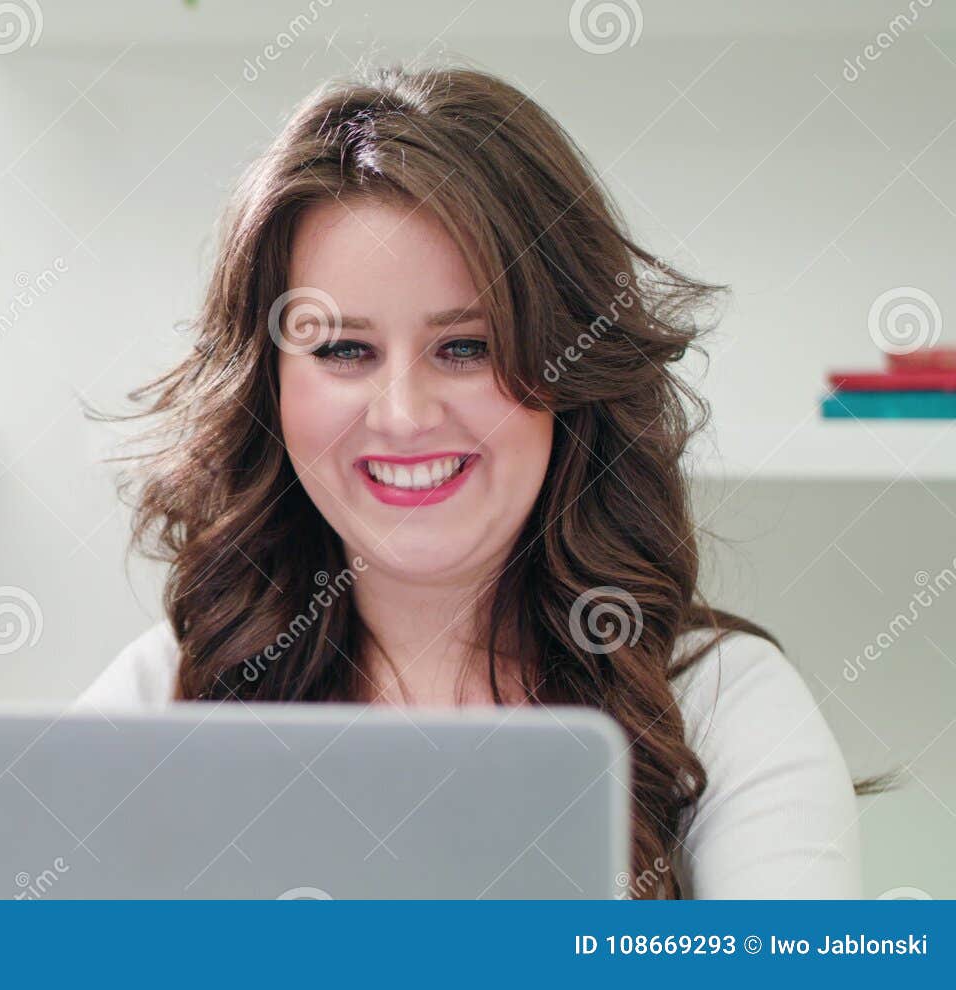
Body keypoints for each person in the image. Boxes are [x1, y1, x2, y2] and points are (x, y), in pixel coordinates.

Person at [79, 65, 864, 899]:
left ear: (571, 373)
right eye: (345, 350)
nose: (405, 415)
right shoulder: (165, 694)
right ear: (267, 387)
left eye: (466, 348)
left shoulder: (721, 704)